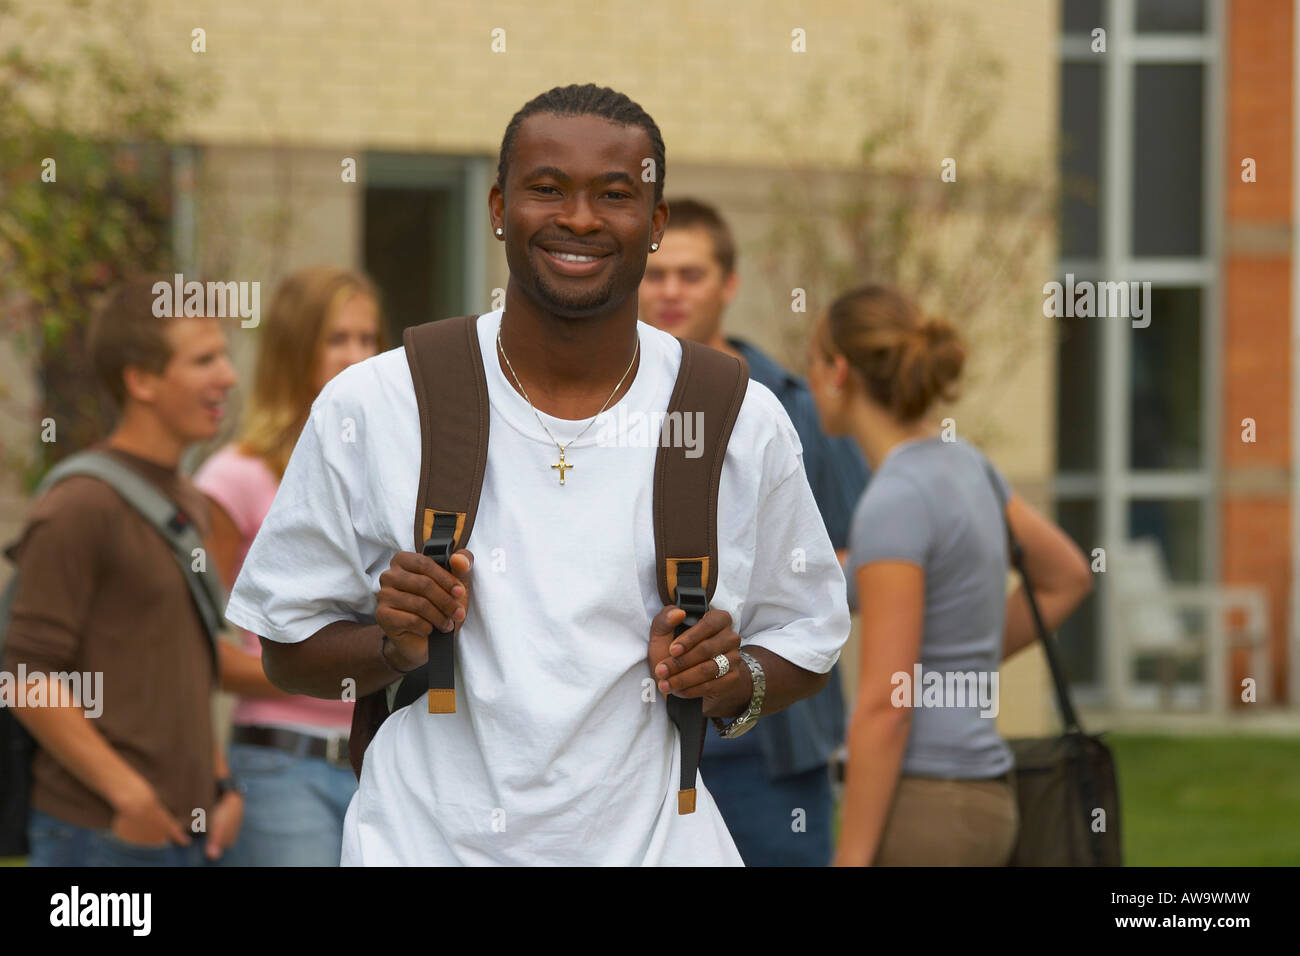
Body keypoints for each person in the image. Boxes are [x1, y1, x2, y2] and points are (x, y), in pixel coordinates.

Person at [223, 83, 851, 866]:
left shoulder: (734, 416)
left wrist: (731, 678)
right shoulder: (378, 403)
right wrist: (391, 647)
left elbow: (810, 640)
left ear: (655, 224)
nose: (580, 218)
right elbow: (285, 646)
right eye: (546, 188)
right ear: (497, 206)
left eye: (615, 195)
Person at [806, 284, 1093, 866]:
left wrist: (852, 857)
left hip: (924, 805)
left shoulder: (895, 498)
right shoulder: (969, 466)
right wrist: (965, 662)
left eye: (809, 363)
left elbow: (887, 702)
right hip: (984, 799)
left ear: (839, 372)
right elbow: (1067, 576)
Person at [639, 198, 868, 865]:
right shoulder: (614, 407)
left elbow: (856, 555)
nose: (672, 291)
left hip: (775, 744)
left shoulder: (789, 405)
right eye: (658, 275)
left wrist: (753, 593)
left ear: (729, 285)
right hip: (644, 732)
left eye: (692, 274)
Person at [2, 275, 243, 866]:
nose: (228, 377)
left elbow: (186, 660)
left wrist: (220, 784)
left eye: (224, 356)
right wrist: (127, 795)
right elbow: (25, 674)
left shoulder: (187, 501)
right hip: (99, 835)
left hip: (185, 833)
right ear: (141, 380)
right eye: (204, 359)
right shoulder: (82, 503)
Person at [194, 266, 385, 866]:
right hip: (282, 765)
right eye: (336, 339)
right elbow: (191, 644)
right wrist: (313, 663)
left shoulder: (392, 469)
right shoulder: (235, 477)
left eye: (368, 338)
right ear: (293, 349)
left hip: (380, 757)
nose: (356, 356)